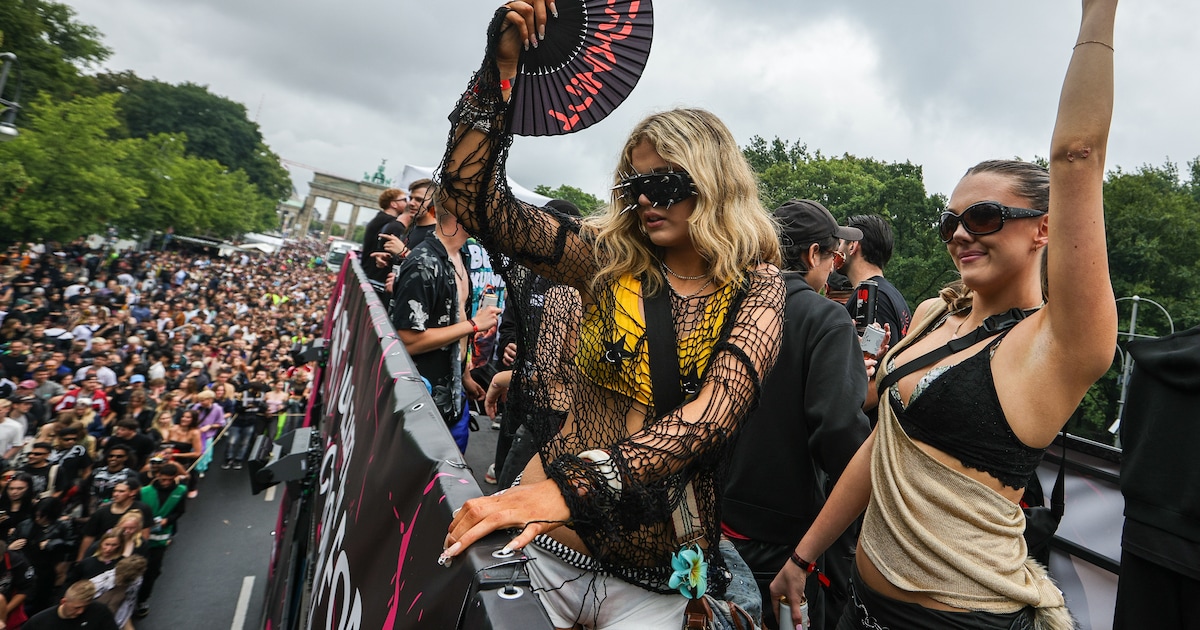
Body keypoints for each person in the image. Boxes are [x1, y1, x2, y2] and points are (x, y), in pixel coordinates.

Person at [770, 3, 1118, 627]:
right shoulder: (933, 313)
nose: (960, 234)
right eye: (950, 220)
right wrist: (804, 554)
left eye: (983, 217)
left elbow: (1078, 154)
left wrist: (1098, 14)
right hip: (861, 605)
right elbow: (884, 445)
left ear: (1044, 229)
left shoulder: (1057, 347)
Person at [438, 5, 786, 627]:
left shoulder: (756, 287)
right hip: (543, 546)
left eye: (666, 183)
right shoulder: (605, 258)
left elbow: (712, 415)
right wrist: (502, 65)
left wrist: (567, 490)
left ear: (714, 183)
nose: (647, 199)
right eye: (634, 186)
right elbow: (473, 200)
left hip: (655, 583)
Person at [723, 200, 872, 630]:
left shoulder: (727, 306)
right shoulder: (825, 318)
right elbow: (839, 432)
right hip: (784, 540)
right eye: (833, 258)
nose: (833, 269)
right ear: (812, 255)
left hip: (712, 521)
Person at [389, 202, 502, 452]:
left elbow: (454, 325)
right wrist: (474, 325)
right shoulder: (423, 262)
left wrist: (464, 377)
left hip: (452, 391)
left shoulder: (460, 257)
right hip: (422, 401)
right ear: (461, 214)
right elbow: (408, 341)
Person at [838, 214, 911, 348]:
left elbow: (872, 357)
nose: (836, 250)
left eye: (840, 243)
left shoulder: (871, 297)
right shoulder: (891, 295)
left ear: (852, 246)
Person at [135, 462, 186, 618]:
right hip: (139, 538)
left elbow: (180, 511)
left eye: (169, 480)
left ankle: (142, 600)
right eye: (163, 479)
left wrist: (167, 520)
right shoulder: (144, 491)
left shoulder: (181, 491)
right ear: (158, 476)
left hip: (160, 539)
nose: (166, 483)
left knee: (152, 571)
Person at [22, 580, 120, 630]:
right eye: (76, 607)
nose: (81, 611)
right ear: (63, 602)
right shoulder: (39, 622)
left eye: (85, 607)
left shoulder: (100, 612)